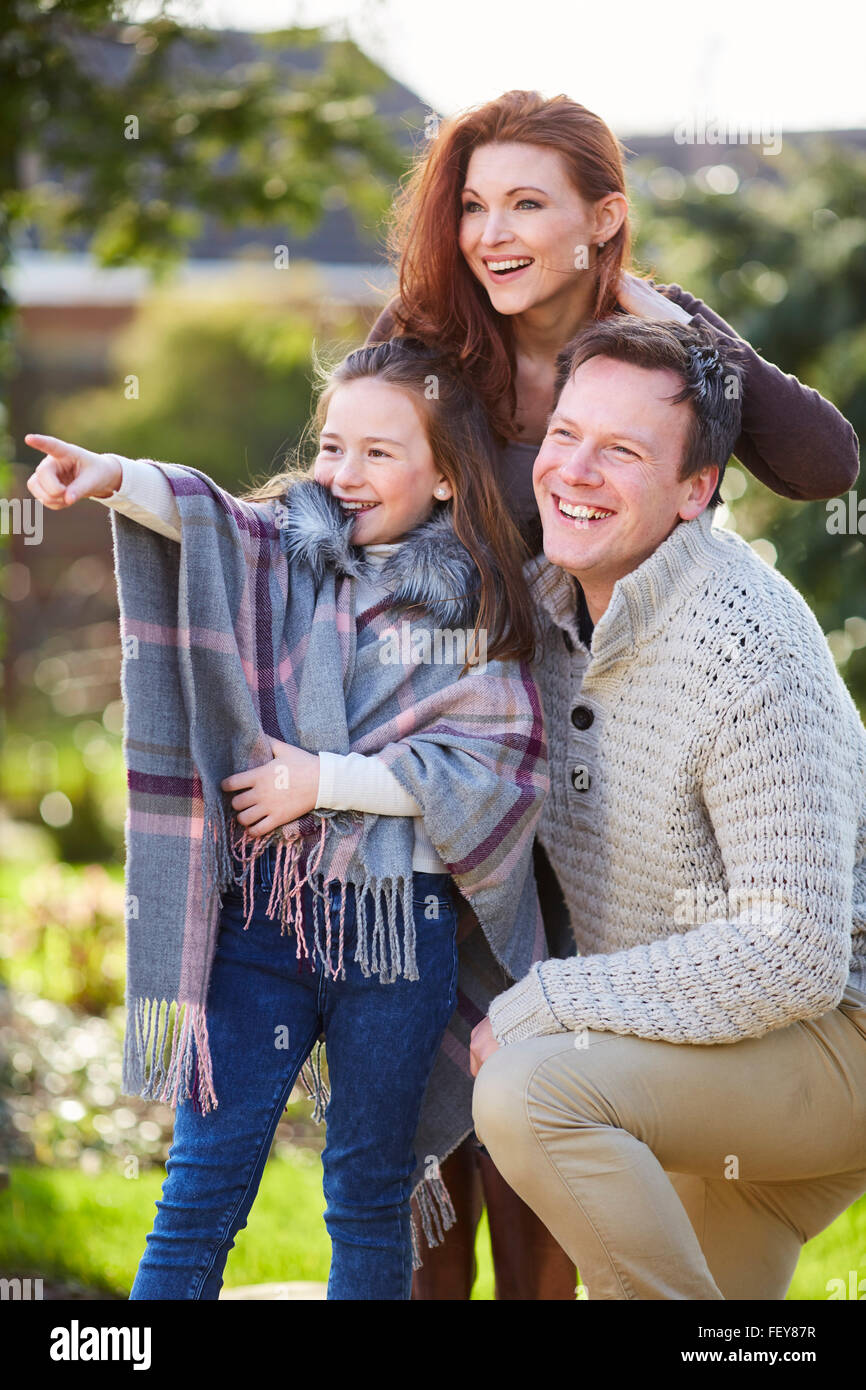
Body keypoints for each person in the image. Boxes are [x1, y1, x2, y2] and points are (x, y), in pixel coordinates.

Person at [365, 86, 861, 1301]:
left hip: (653, 812)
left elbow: (820, 461)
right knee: (442, 1118)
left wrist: (672, 325)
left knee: (537, 1095)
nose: (490, 233)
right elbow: (337, 499)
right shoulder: (428, 351)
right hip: (482, 753)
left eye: (526, 203)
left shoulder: (728, 610)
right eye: (472, 204)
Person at [24, 337, 551, 1300]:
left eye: (380, 454)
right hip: (262, 922)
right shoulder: (284, 555)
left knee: (368, 1190)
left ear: (444, 478)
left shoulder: (473, 610)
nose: (345, 476)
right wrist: (114, 479)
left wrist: (324, 781)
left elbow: (485, 777)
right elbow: (204, 516)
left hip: (398, 933)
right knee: (203, 1180)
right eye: (333, 446)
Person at [469, 314, 866, 1301]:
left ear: (696, 492)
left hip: (833, 1042)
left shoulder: (747, 644)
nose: (574, 470)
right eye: (564, 435)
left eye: (620, 451)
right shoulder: (541, 607)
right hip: (711, 1072)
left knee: (530, 1088)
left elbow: (792, 951)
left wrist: (548, 1000)